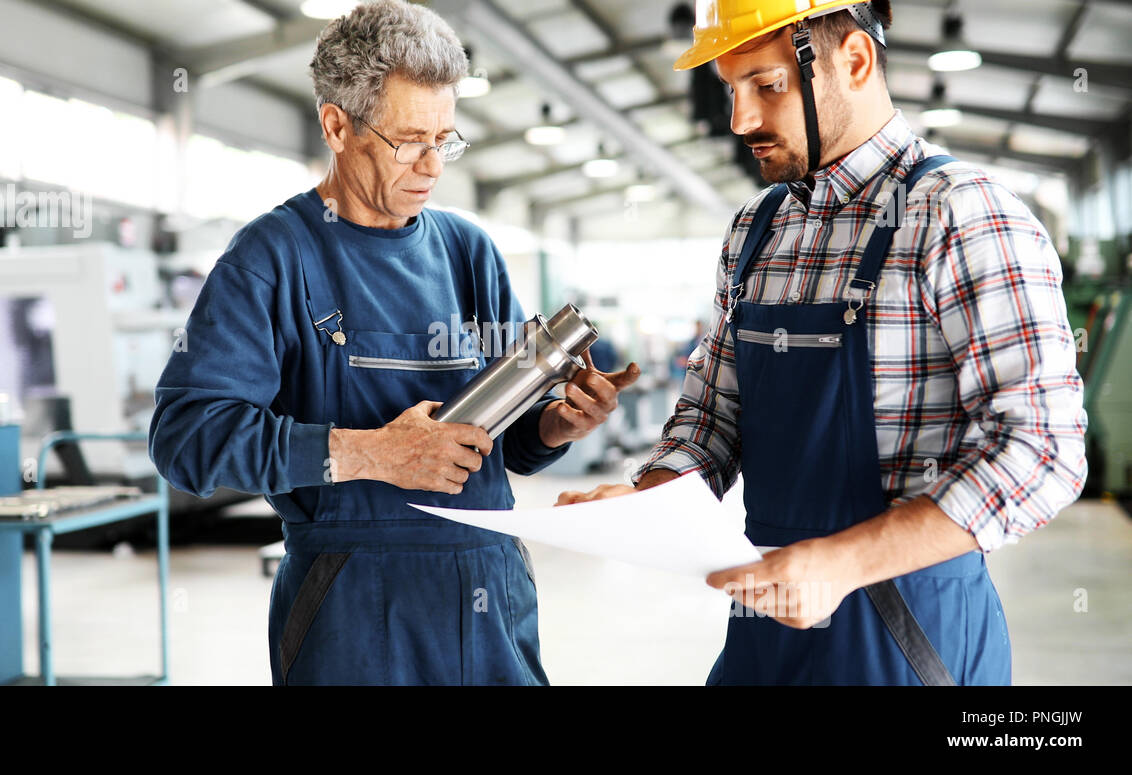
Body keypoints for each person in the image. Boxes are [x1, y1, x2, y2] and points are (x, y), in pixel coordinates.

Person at [558, 0, 1087, 685]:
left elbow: (1043, 450)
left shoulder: (962, 216)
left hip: (911, 636)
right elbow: (710, 422)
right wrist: (648, 501)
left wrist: (841, 563)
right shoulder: (755, 231)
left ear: (855, 60)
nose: (740, 119)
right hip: (766, 631)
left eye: (767, 85)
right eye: (731, 89)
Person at [148, 0, 638, 685]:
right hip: (351, 609)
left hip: (488, 598)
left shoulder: (469, 253)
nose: (433, 165)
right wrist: (371, 452)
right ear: (337, 125)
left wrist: (556, 423)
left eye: (446, 138)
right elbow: (185, 439)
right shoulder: (271, 258)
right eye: (410, 139)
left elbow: (512, 444)